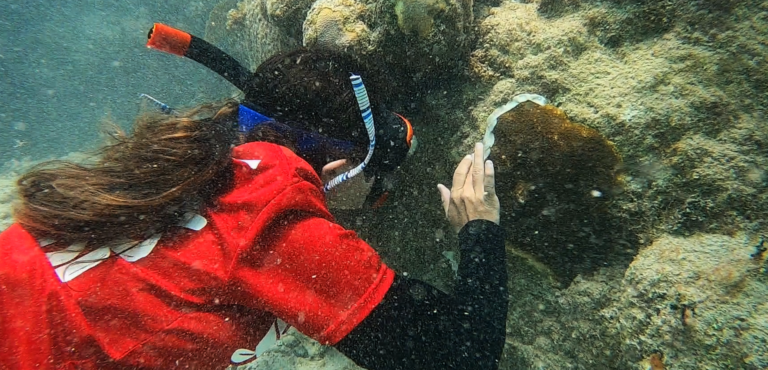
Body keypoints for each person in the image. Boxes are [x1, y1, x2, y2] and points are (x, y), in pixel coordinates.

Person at [0, 100, 508, 369]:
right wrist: (479, 229)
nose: (382, 196)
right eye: (378, 181)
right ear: (340, 169)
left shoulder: (193, 169)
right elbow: (461, 357)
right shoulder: (279, 227)